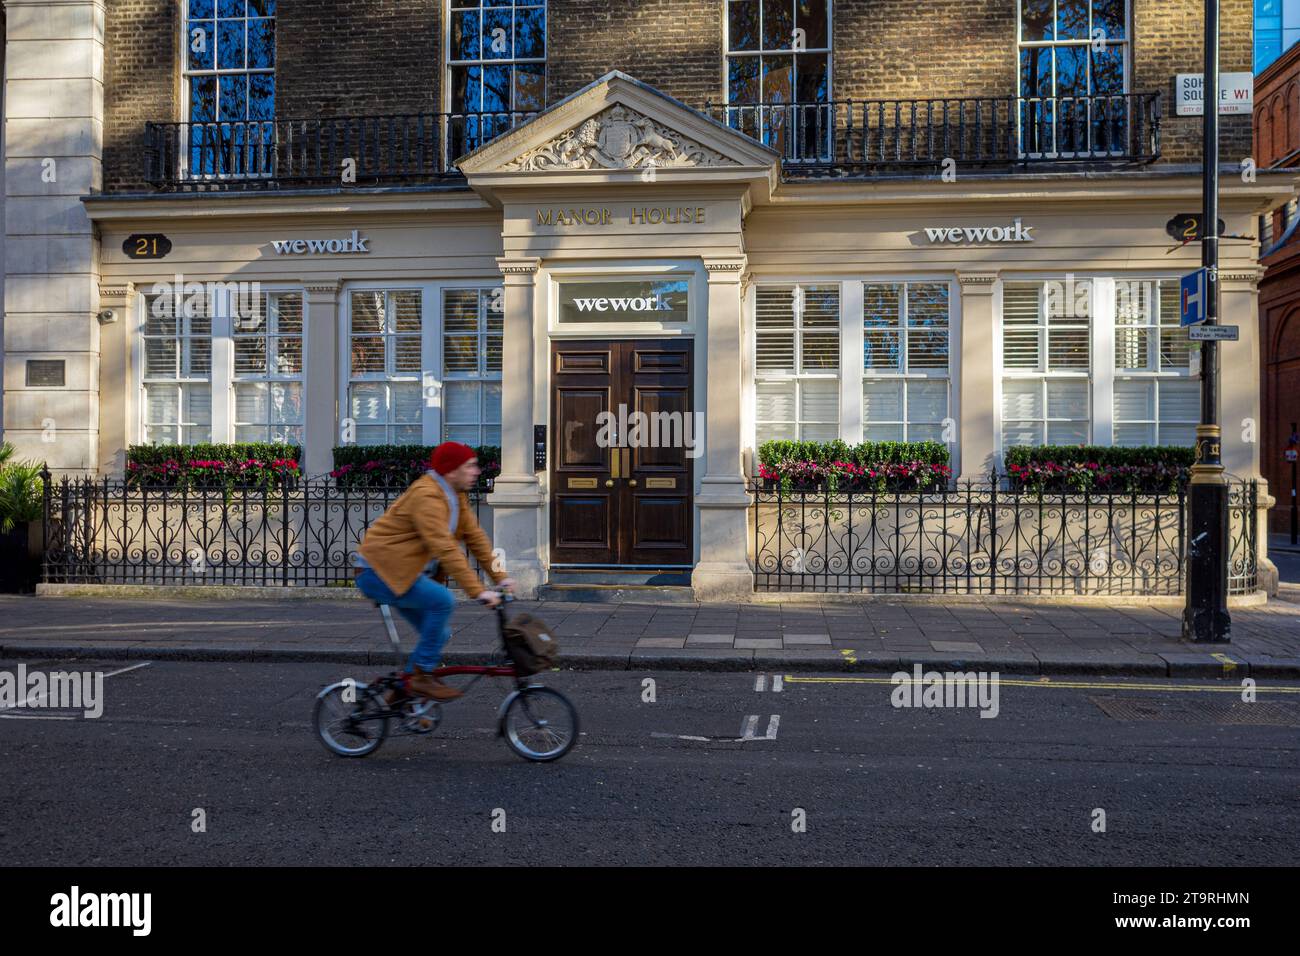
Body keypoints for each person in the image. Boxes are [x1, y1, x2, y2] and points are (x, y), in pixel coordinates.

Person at [353, 441, 513, 701]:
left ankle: (401, 693)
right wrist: (478, 592)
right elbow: (444, 547)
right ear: (451, 470)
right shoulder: (426, 495)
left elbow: (475, 538)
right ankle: (421, 676)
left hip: (402, 574)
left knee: (439, 633)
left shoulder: (455, 495)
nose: (477, 471)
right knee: (443, 601)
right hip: (378, 572)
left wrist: (501, 577)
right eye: (470, 466)